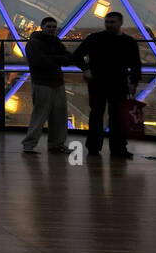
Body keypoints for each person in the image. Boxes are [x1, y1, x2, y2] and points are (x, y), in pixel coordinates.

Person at [72, 11, 142, 158]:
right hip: (117, 82)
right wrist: (133, 83)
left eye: (112, 22)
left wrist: (86, 69)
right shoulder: (128, 42)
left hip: (99, 82)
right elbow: (135, 65)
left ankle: (94, 147)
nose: (109, 25)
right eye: (107, 22)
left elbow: (77, 56)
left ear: (120, 23)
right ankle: (117, 149)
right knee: (114, 116)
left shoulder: (95, 39)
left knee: (98, 114)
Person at [21, 16, 74, 154]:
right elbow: (41, 61)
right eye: (49, 27)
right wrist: (59, 60)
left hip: (51, 82)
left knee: (56, 115)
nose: (51, 29)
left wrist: (53, 59)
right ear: (42, 27)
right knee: (44, 114)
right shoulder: (37, 43)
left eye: (53, 27)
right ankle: (50, 144)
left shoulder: (45, 42)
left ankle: (43, 144)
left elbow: (63, 59)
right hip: (45, 82)